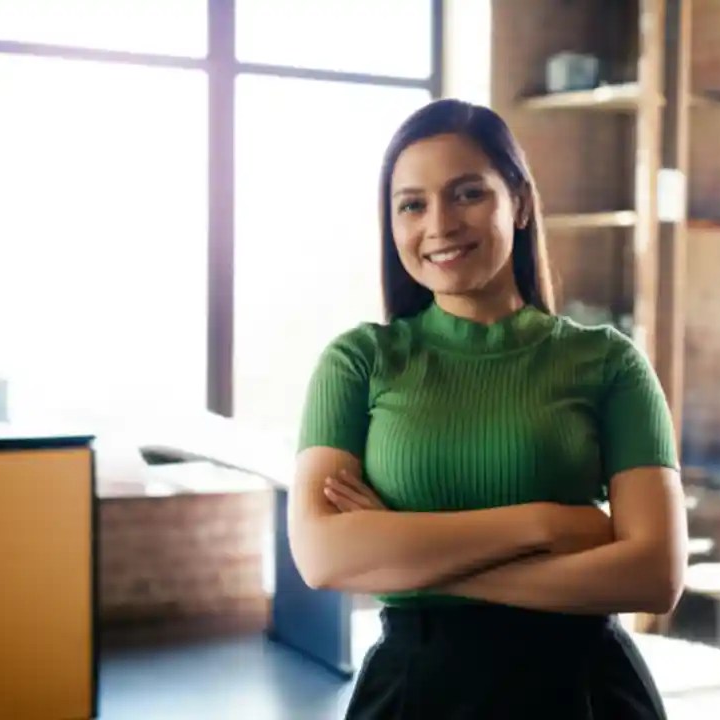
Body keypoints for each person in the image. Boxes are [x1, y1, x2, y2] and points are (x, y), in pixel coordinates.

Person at [287, 98, 688, 719]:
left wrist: (411, 564)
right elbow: (323, 555)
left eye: (467, 193)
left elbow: (654, 574)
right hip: (414, 695)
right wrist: (547, 526)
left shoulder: (608, 363)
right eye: (412, 204)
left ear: (520, 203)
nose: (440, 224)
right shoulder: (360, 361)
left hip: (580, 694)